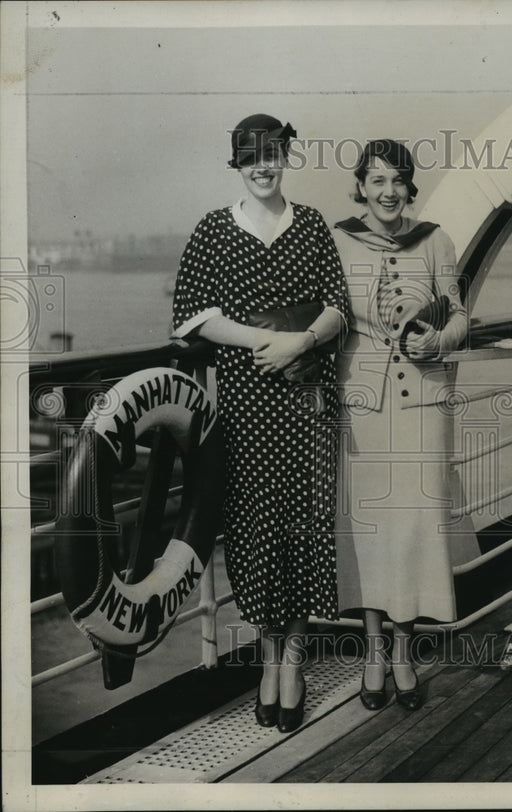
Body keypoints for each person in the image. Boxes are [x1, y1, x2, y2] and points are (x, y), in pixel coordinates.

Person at [171, 114, 348, 733]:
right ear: (237, 164)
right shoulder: (215, 231)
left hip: (306, 406)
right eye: (251, 157)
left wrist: (299, 342)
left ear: (286, 157)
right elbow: (193, 317)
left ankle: (290, 667)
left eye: (272, 154)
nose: (262, 166)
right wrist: (261, 342)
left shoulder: (312, 226)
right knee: (255, 532)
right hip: (247, 411)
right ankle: (267, 662)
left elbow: (337, 309)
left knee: (304, 529)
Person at [333, 139, 479, 711]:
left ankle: (403, 649)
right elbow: (324, 316)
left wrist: (438, 339)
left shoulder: (436, 240)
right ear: (361, 188)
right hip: (364, 407)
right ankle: (372, 650)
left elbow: (460, 313)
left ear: (409, 187)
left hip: (422, 405)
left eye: (397, 181)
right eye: (377, 181)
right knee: (371, 533)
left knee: (415, 531)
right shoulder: (339, 241)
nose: (388, 192)